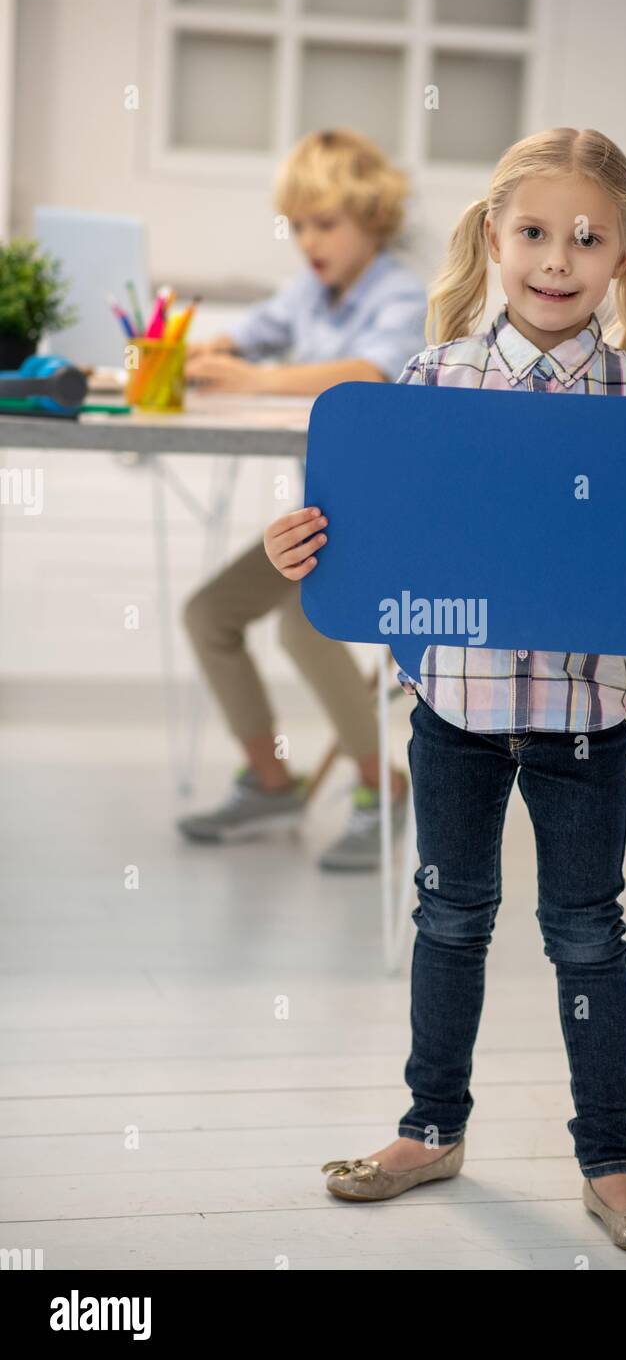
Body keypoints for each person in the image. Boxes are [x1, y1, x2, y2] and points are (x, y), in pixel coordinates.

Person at [264, 127, 626, 1254]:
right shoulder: (428, 383)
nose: (557, 258)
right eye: (534, 232)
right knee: (448, 920)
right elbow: (377, 540)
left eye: (586, 239)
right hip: (454, 717)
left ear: (625, 253)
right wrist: (307, 547)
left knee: (586, 934)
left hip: (585, 728)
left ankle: (610, 1158)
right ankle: (428, 1126)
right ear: (493, 238)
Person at [177, 129, 427, 870]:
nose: (309, 242)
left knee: (302, 627)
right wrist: (201, 350)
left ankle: (382, 791)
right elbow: (247, 335)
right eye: (298, 226)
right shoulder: (310, 291)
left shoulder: (400, 290)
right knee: (209, 613)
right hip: (324, 522)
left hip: (395, 522)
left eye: (326, 224)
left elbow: (368, 374)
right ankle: (271, 781)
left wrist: (253, 380)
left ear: (372, 221)